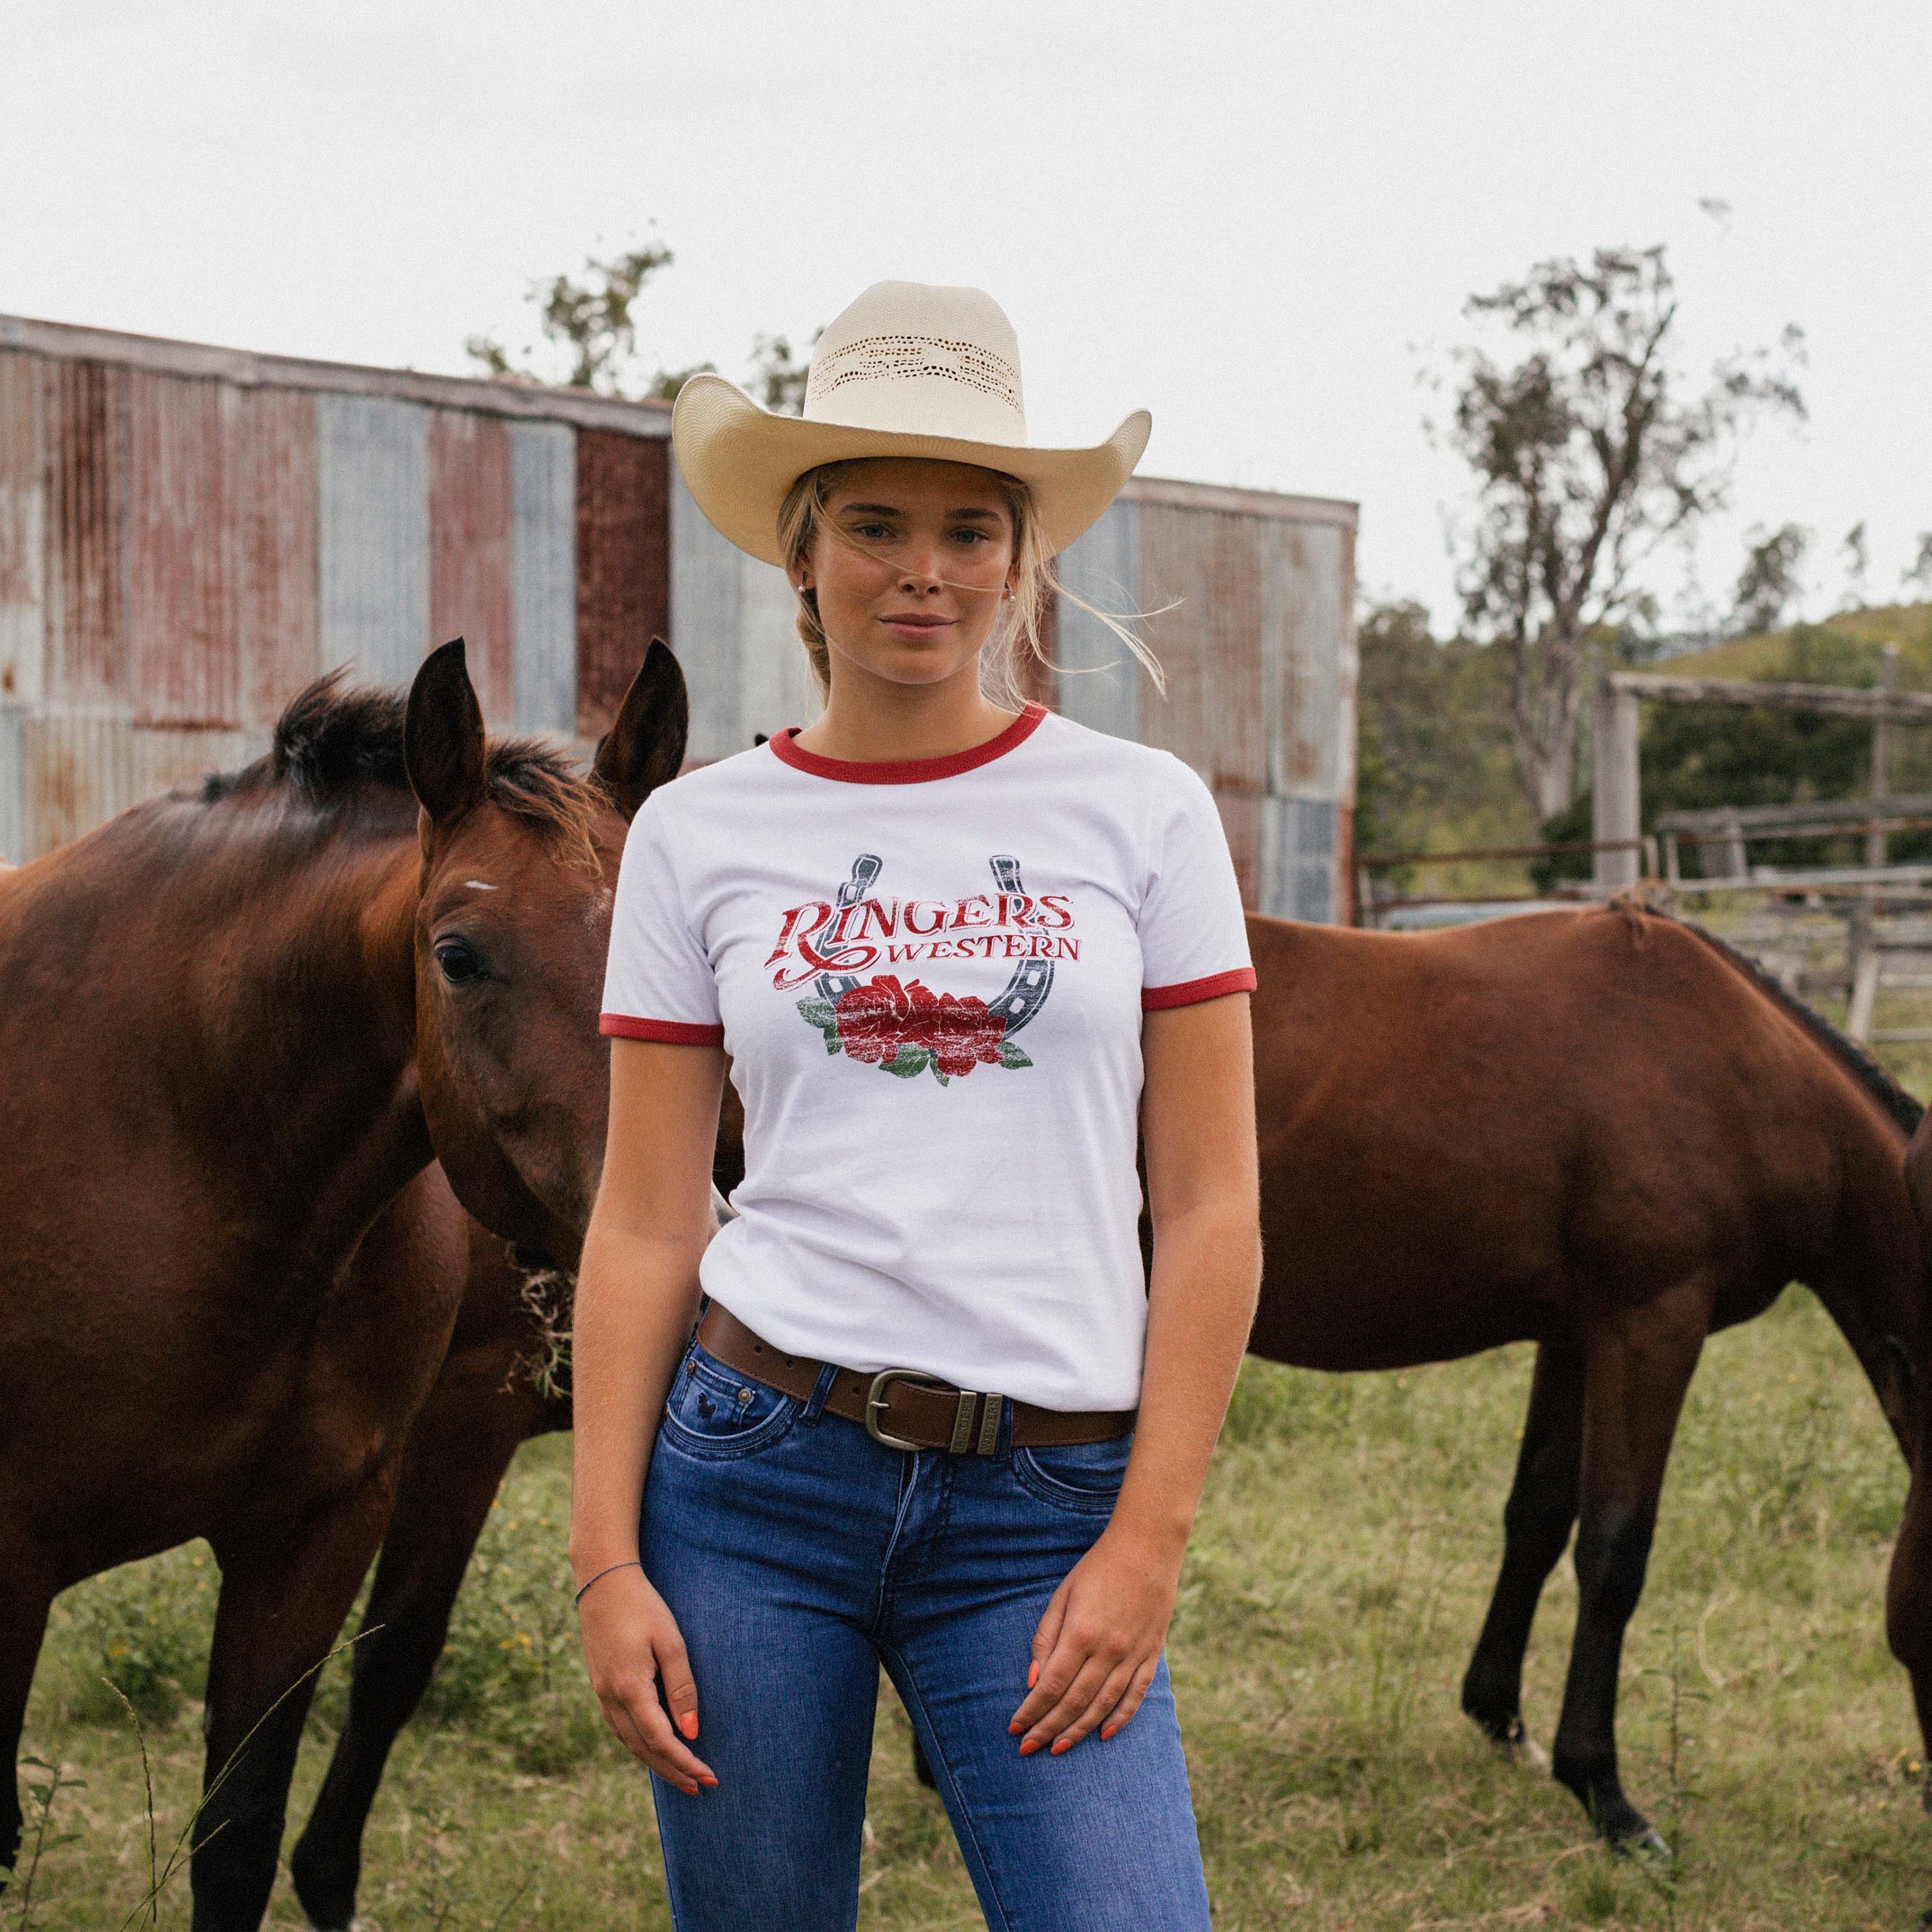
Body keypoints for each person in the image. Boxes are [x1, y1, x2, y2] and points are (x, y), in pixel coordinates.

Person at [569, 279, 1261, 1931]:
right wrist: (605, 1559)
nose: (924, 571)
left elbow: (1218, 1206)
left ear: (1024, 559)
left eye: (971, 529)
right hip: (751, 1481)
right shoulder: (695, 835)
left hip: (1044, 1505)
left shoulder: (1144, 814)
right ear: (801, 549)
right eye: (875, 524)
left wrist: (1147, 1544)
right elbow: (651, 1214)